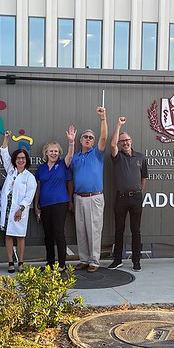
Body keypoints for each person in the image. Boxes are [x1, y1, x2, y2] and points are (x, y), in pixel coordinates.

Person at [70, 107, 108, 272]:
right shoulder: (75, 156)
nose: (87, 139)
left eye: (90, 138)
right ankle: (84, 259)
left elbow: (104, 136)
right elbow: (70, 177)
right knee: (81, 230)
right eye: (85, 137)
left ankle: (94, 261)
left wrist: (103, 118)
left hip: (95, 198)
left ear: (93, 141)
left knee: (94, 230)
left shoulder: (97, 154)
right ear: (80, 140)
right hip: (78, 197)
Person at [108, 117, 148, 271]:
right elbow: (112, 144)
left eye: (127, 140)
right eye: (122, 141)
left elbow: (143, 177)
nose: (125, 143)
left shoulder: (140, 157)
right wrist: (118, 125)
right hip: (121, 198)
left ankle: (136, 261)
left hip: (136, 198)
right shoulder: (117, 157)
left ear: (131, 141)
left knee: (136, 230)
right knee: (119, 230)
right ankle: (117, 260)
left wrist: (138, 191)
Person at [34, 128, 75, 271]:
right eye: (51, 151)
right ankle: (50, 263)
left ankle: (62, 264)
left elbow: (71, 155)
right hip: (45, 205)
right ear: (46, 153)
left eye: (56, 151)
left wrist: (71, 142)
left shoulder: (64, 164)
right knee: (48, 235)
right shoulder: (41, 168)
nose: (53, 153)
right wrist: (36, 205)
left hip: (60, 203)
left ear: (59, 153)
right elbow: (38, 187)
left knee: (59, 233)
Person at [0, 132, 38, 272]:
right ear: (14, 160)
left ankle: (21, 262)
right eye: (18, 158)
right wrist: (6, 138)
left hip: (19, 210)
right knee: (8, 235)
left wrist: (21, 209)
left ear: (26, 160)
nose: (21, 160)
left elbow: (30, 195)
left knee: (20, 236)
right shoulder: (10, 171)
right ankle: (10, 261)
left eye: (23, 158)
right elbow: (4, 152)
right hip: (7, 209)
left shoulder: (29, 177)